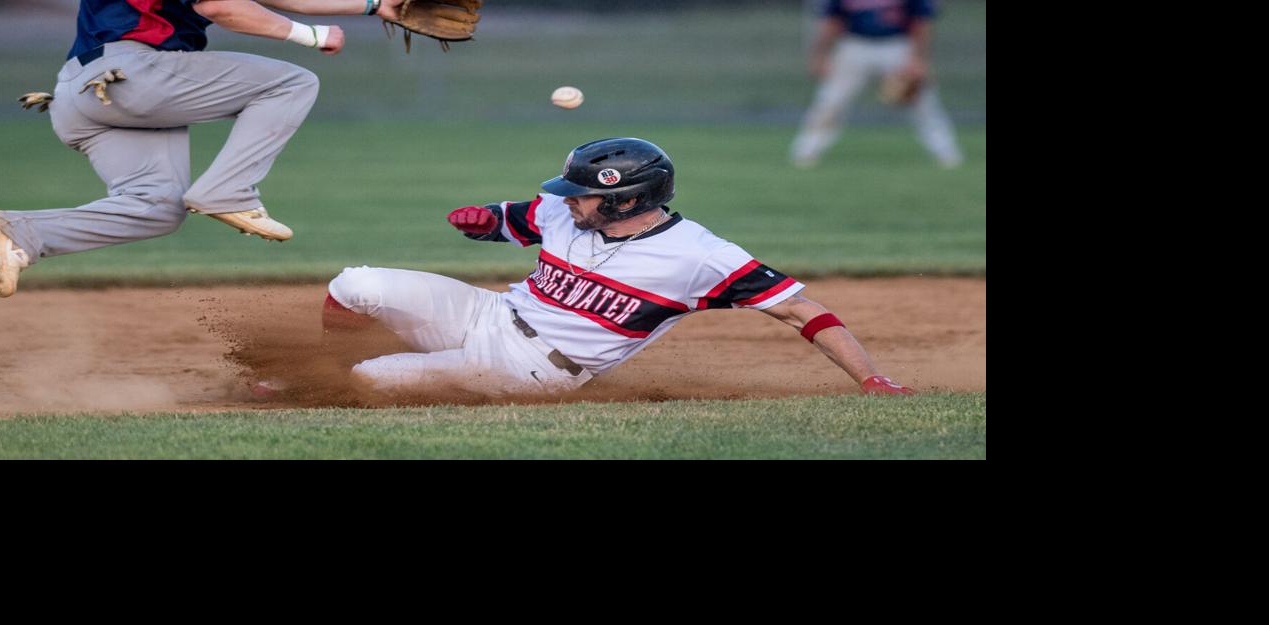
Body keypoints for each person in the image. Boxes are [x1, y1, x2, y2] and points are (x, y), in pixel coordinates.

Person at [314, 137, 915, 399]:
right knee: (355, 282)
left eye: (582, 193)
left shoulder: (701, 257)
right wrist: (480, 220)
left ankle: (335, 383)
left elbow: (802, 311)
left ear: (627, 200)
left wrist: (870, 378)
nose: (568, 201)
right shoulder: (566, 212)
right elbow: (510, 219)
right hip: (490, 313)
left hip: (532, 370)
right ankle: (317, 373)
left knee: (370, 380)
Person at [0, 0, 411, 298]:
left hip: (82, 95)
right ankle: (228, 192)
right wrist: (311, 36)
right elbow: (221, 7)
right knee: (291, 83)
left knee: (156, 208)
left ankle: (22, 234)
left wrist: (373, 5)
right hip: (132, 74)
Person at [790, 0, 964, 170]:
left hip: (898, 44)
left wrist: (919, 58)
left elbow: (921, 20)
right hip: (854, 44)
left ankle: (946, 153)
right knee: (831, 101)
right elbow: (832, 21)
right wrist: (820, 55)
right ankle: (805, 152)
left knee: (923, 102)